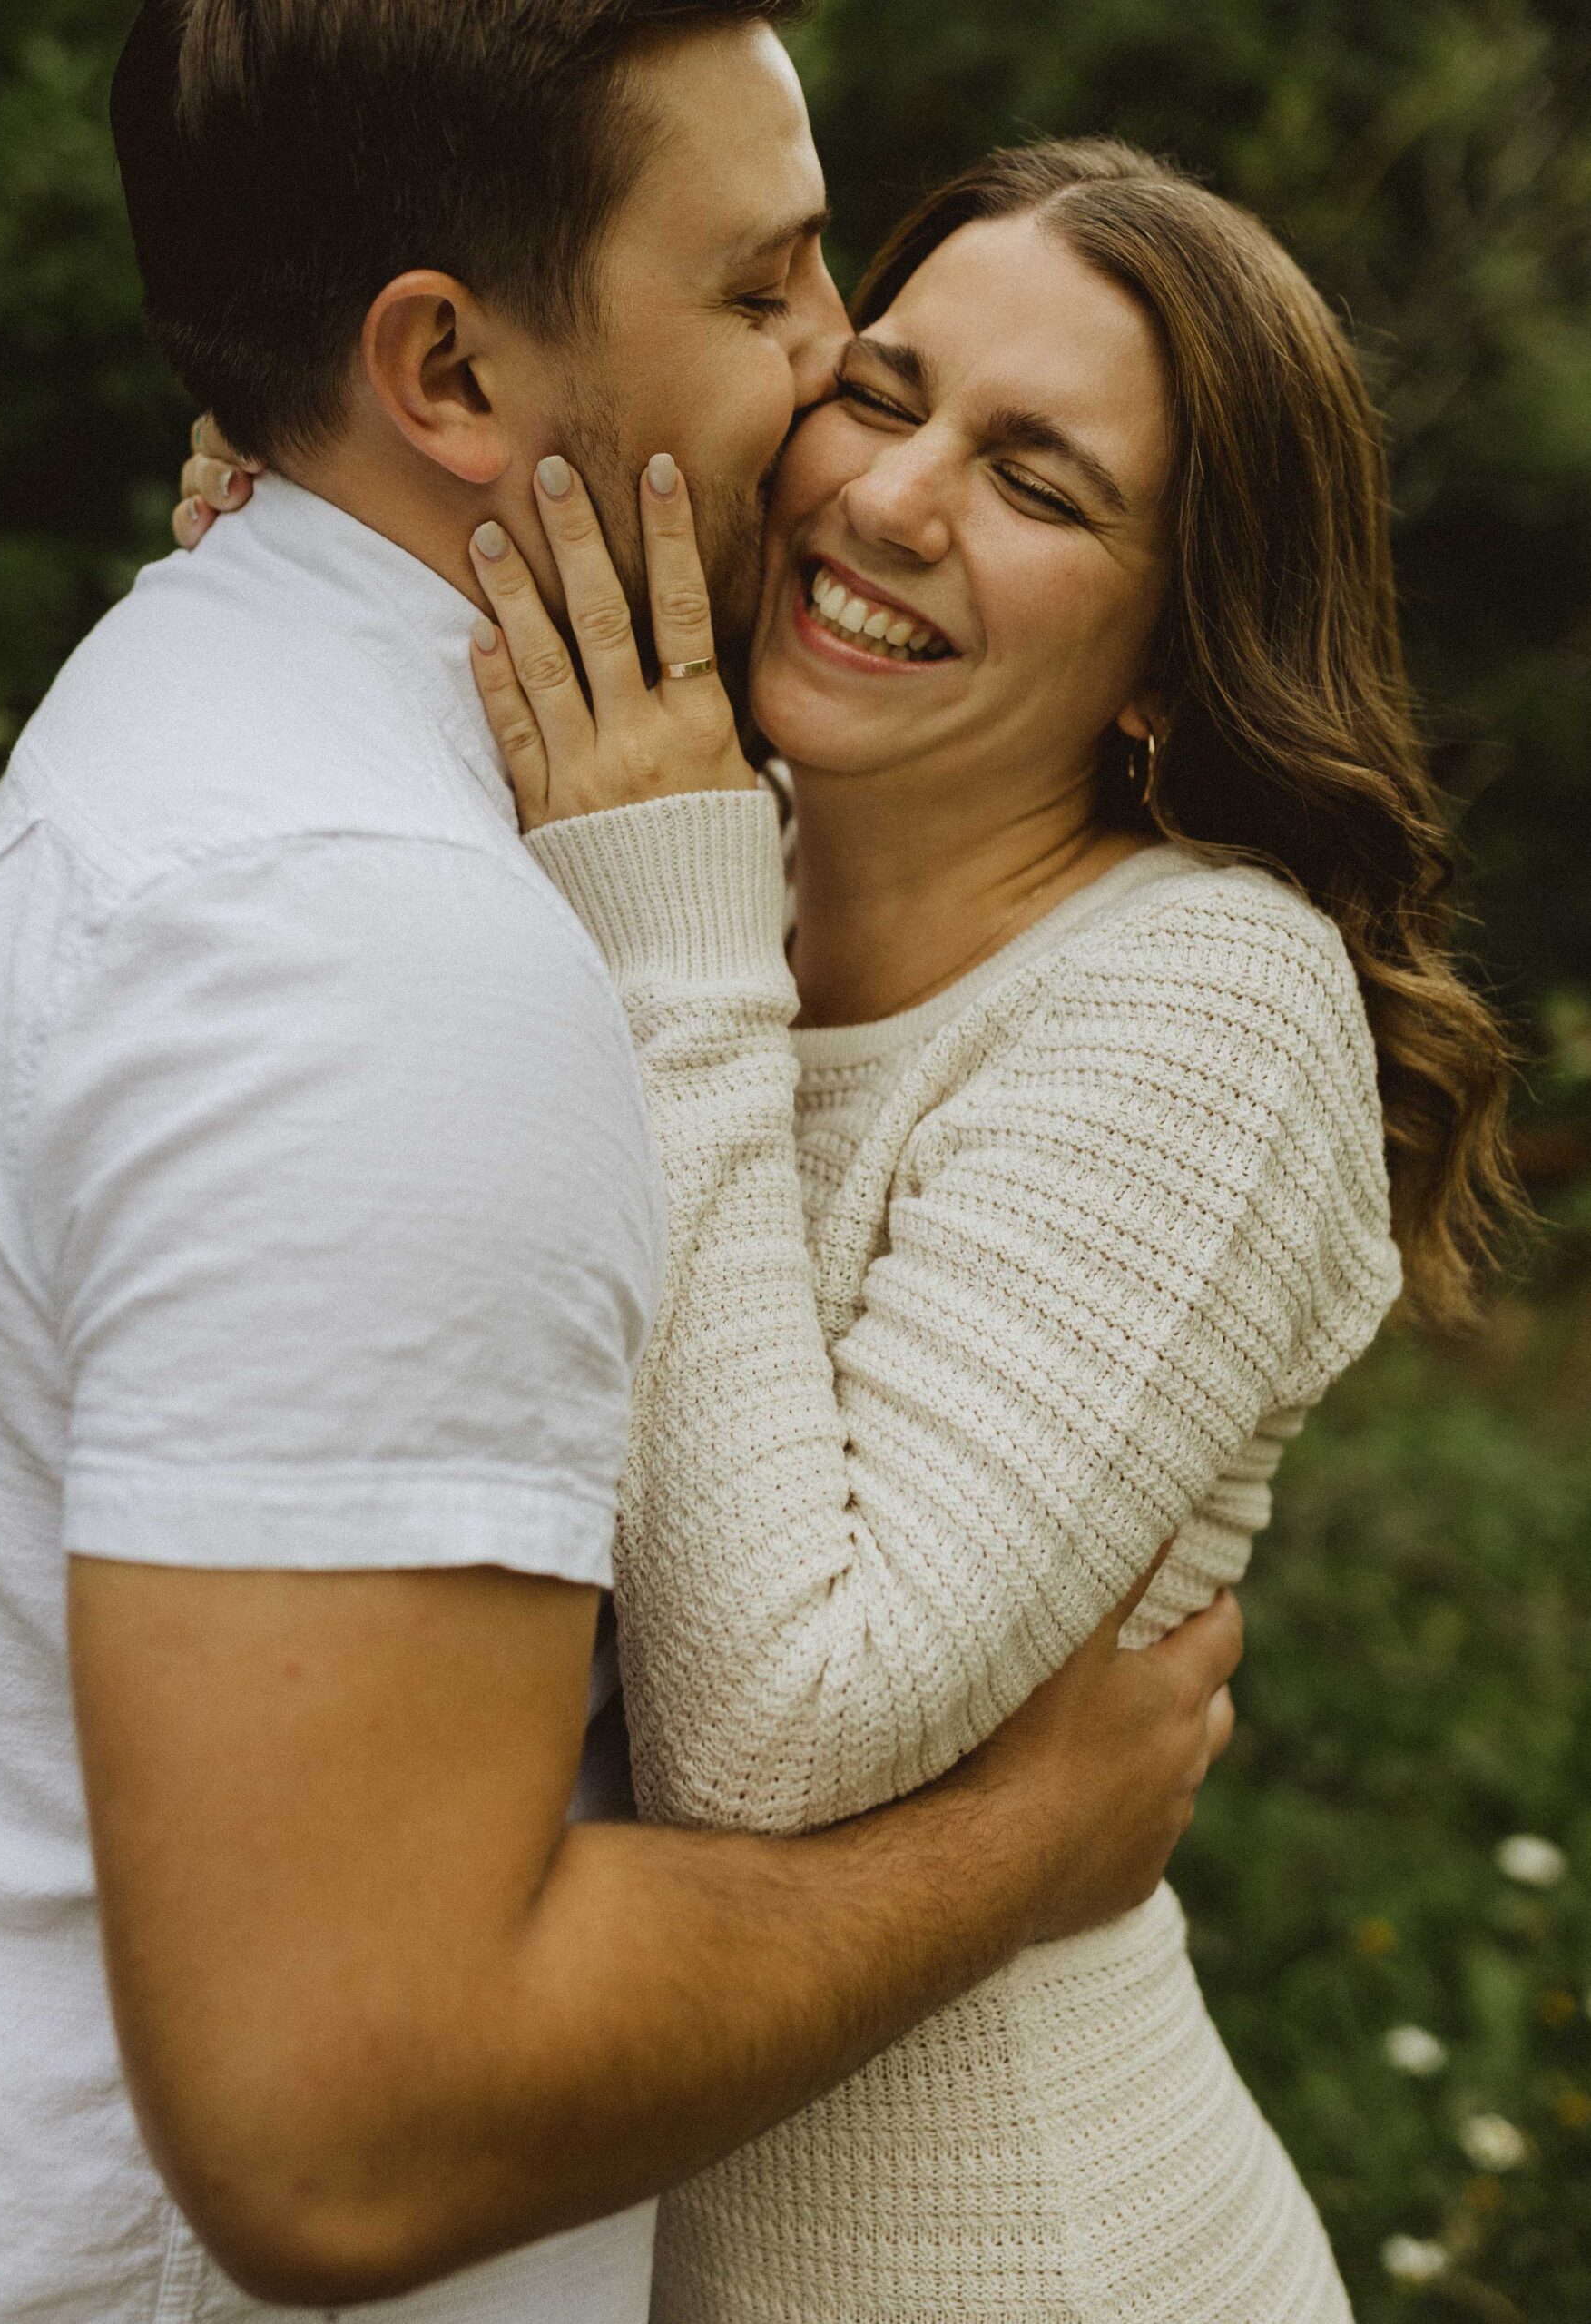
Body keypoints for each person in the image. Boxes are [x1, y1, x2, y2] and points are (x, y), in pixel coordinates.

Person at [0, 14, 1246, 2324]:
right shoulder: (378, 944)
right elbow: (349, 2122)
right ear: (441, 376)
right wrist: (1032, 1831)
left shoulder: (293, 763)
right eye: (764, 295)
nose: (841, 391)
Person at [455, 139, 1520, 2319]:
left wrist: (669, 933)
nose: (894, 498)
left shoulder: (1204, 1002)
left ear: (1167, 654)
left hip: (1037, 2260)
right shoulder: (691, 851)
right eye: (885, 389)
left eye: (1042, 485)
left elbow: (777, 1724)